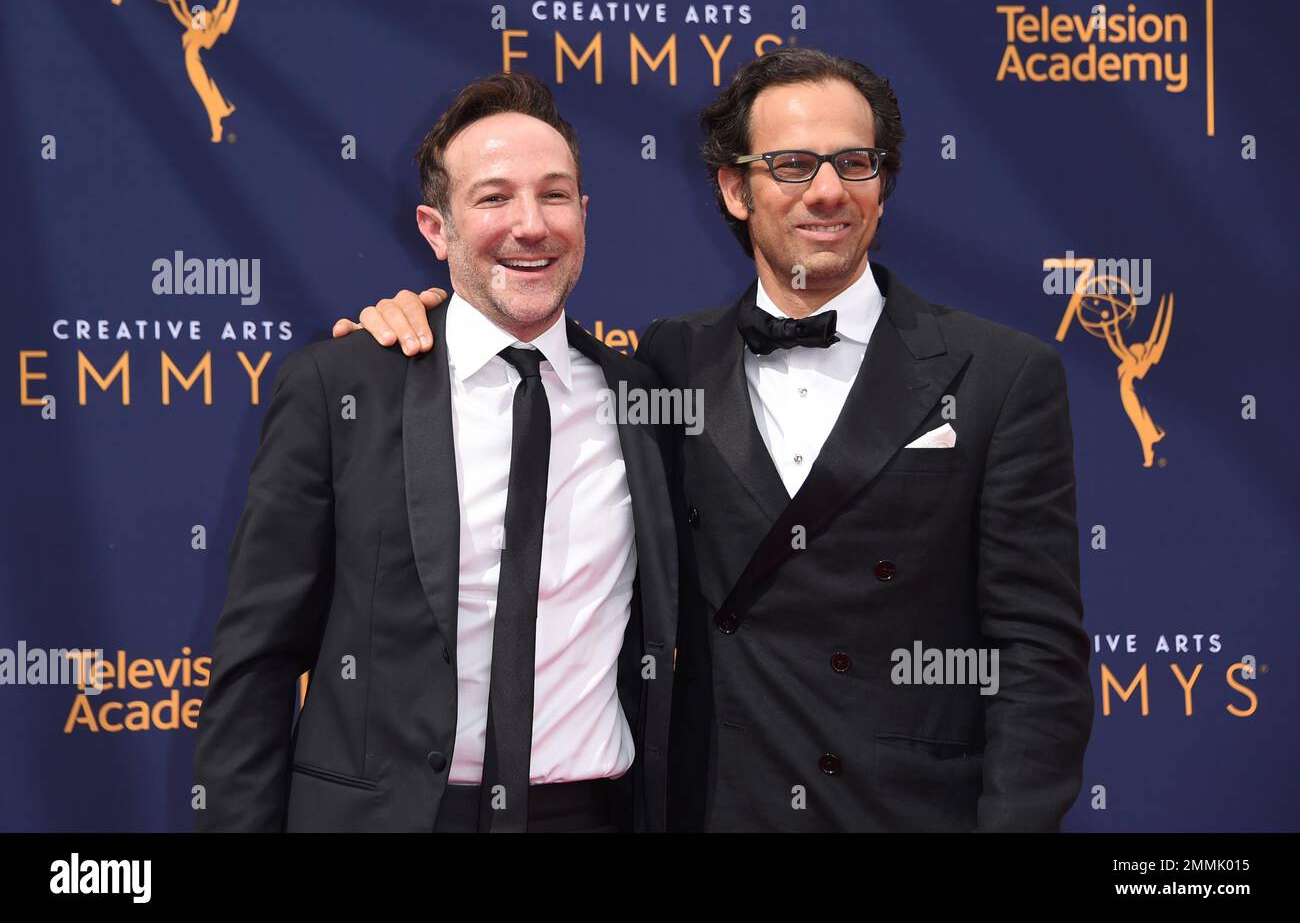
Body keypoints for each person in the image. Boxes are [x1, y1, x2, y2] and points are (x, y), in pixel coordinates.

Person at [334, 48, 1094, 831]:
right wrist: (416, 325)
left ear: (883, 184)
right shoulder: (666, 363)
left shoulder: (1001, 375)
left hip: (906, 811)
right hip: (715, 808)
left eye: (855, 163)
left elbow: (1038, 656)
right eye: (793, 164)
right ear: (736, 188)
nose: (828, 191)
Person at [193, 72, 678, 833]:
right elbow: (257, 657)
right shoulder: (342, 386)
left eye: (555, 196)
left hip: (595, 814)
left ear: (583, 217)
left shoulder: (647, 399)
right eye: (492, 198)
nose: (530, 225)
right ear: (435, 228)